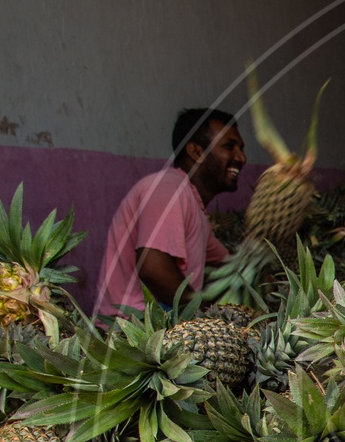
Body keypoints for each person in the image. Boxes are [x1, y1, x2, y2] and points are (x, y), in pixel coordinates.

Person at [95, 108, 246, 317]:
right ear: (196, 152)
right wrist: (204, 315)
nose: (241, 157)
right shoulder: (169, 188)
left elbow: (228, 262)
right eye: (229, 146)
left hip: (161, 327)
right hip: (130, 330)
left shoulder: (194, 207)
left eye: (241, 148)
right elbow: (153, 270)